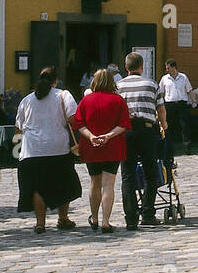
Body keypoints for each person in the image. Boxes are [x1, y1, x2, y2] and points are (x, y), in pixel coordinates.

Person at [15, 67, 82, 234]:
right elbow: (73, 119)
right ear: (56, 81)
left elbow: (18, 129)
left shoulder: (27, 100)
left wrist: (16, 151)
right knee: (63, 183)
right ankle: (63, 218)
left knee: (38, 187)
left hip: (32, 149)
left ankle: (40, 223)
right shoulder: (63, 95)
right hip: (58, 147)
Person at [73, 68, 130, 233]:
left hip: (92, 147)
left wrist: (91, 136)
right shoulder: (118, 100)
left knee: (94, 183)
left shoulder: (86, 101)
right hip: (112, 147)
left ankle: (95, 217)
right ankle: (106, 221)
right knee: (108, 184)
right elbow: (124, 124)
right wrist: (108, 136)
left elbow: (78, 124)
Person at [117, 52, 166, 229]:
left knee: (128, 175)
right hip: (146, 129)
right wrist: (164, 124)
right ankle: (147, 213)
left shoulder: (118, 86)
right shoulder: (151, 84)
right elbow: (160, 109)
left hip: (125, 131)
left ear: (126, 67)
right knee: (150, 172)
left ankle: (130, 218)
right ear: (142, 66)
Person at [158, 59, 194, 154]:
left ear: (174, 68)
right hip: (169, 104)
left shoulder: (183, 77)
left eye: (168, 68)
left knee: (185, 125)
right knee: (169, 126)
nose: (166, 70)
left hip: (181, 104)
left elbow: (189, 90)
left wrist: (194, 101)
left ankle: (187, 147)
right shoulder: (164, 79)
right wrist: (158, 104)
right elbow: (161, 93)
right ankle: (169, 147)